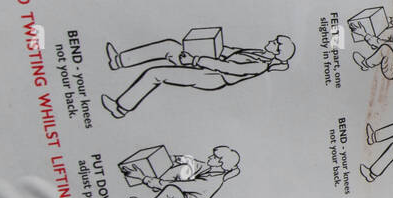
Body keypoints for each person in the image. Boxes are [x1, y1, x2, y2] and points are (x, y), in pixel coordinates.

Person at [101, 34, 295, 118]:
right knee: (170, 45)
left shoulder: (260, 65)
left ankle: (121, 107)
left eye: (276, 43)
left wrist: (195, 59)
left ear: (277, 53)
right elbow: (230, 52)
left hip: (211, 76)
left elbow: (230, 68)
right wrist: (205, 45)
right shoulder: (259, 53)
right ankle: (119, 60)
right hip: (208, 63)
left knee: (156, 74)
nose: (272, 41)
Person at [129, 146, 240, 198]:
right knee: (184, 168)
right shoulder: (211, 168)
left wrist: (143, 178)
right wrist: (173, 159)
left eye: (214, 157)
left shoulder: (211, 181)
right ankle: (158, 188)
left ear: (220, 162)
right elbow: (193, 163)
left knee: (171, 189)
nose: (210, 157)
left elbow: (179, 186)